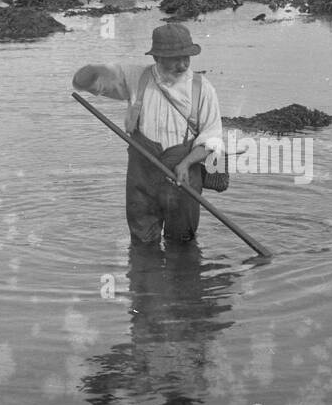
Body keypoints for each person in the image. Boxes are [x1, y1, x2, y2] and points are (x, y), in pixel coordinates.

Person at [73, 22, 224, 246]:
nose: (182, 65)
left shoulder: (203, 89)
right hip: (142, 179)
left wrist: (185, 164)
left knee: (182, 245)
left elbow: (212, 140)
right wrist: (92, 71)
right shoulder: (136, 77)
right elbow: (85, 83)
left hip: (183, 177)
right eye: (175, 59)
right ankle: (144, 278)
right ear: (157, 58)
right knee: (141, 245)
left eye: (186, 58)